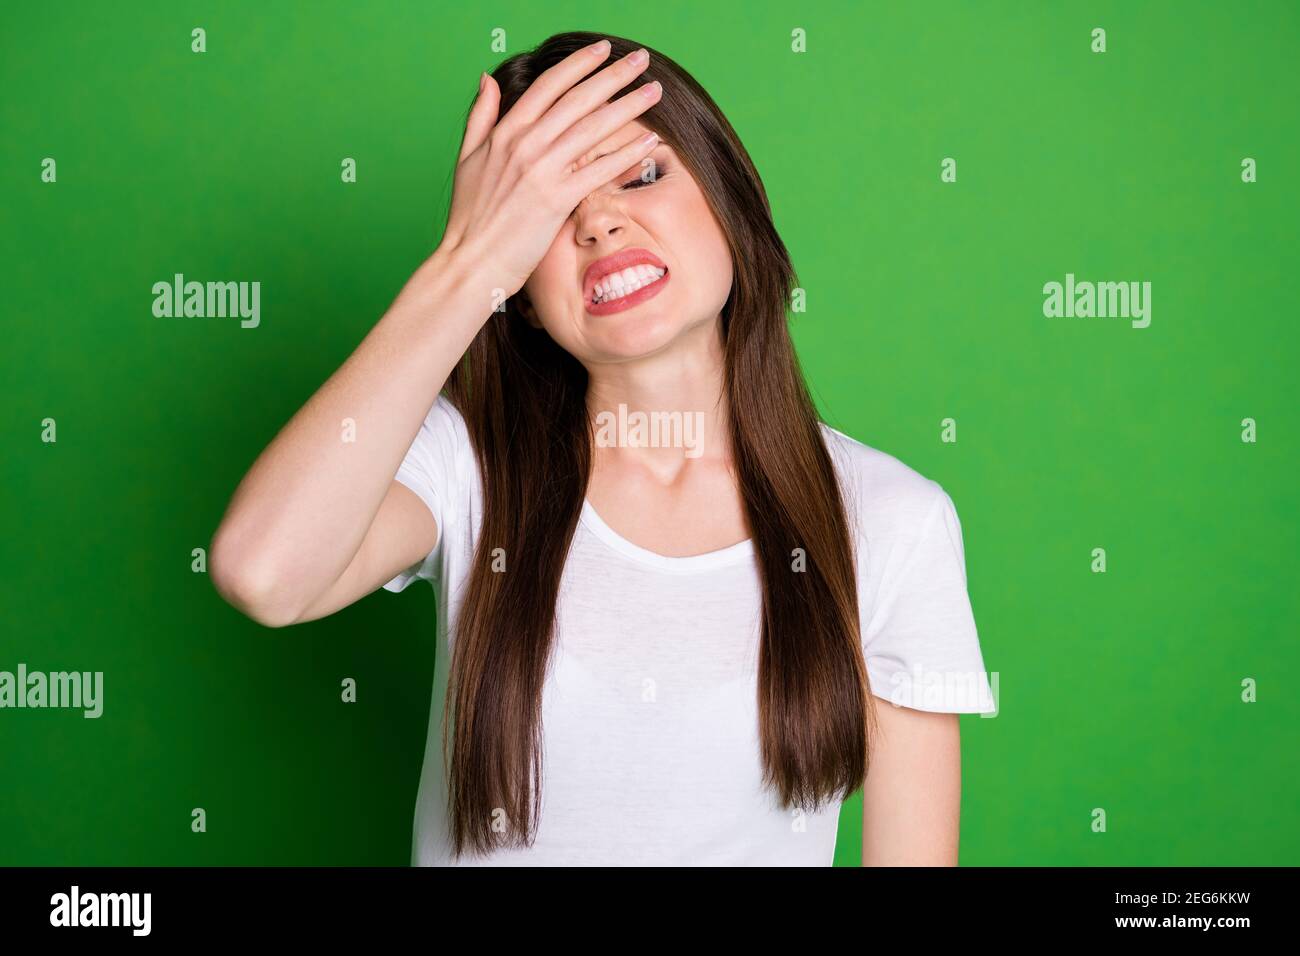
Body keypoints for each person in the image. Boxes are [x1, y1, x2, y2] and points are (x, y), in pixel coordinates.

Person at [210, 31, 995, 866]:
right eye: (549, 213)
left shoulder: (891, 519)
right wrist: (467, 260)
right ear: (525, 296)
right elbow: (264, 572)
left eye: (644, 174)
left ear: (729, 201)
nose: (600, 222)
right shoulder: (462, 466)